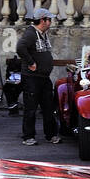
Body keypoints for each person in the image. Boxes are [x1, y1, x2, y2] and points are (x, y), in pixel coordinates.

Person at [17, 8, 60, 145]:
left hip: (43, 77)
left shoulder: (42, 34)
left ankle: (51, 135)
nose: (51, 22)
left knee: (48, 106)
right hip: (32, 77)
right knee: (31, 108)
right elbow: (20, 48)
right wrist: (31, 63)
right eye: (49, 20)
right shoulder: (31, 33)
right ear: (43, 20)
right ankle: (28, 137)